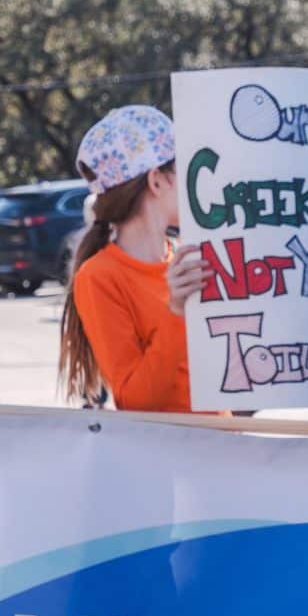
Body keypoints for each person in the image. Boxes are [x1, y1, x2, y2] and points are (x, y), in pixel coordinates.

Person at [58, 105, 189, 412]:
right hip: (171, 455)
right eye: (185, 170)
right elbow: (137, 401)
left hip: (226, 448)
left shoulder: (185, 255)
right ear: (157, 180)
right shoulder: (98, 277)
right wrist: (178, 311)